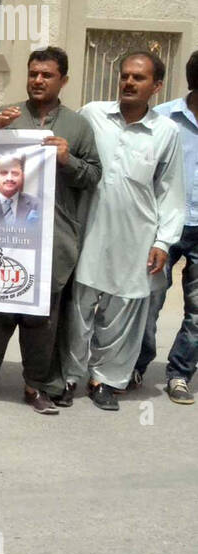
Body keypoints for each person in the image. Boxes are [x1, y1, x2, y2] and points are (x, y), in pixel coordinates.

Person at [0, 47, 101, 414]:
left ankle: (38, 387)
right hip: (2, 237)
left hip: (51, 238)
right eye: (33, 73)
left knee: (42, 319)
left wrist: (68, 160)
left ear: (63, 79)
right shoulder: (6, 116)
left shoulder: (77, 126)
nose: (38, 80)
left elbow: (93, 175)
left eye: (47, 74)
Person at [62, 51, 184, 411]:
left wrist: (163, 240)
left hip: (136, 236)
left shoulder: (165, 131)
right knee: (78, 309)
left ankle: (105, 380)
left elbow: (170, 191)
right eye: (126, 75)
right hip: (89, 230)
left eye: (139, 78)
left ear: (157, 86)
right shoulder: (93, 114)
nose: (129, 82)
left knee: (122, 313)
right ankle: (69, 376)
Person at [138, 50, 198, 405]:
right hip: (163, 225)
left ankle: (179, 373)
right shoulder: (162, 119)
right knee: (149, 300)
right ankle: (137, 364)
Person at [0, 154, 40, 225]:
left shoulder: (36, 204)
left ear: (22, 177)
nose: (9, 178)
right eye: (4, 173)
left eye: (15, 173)